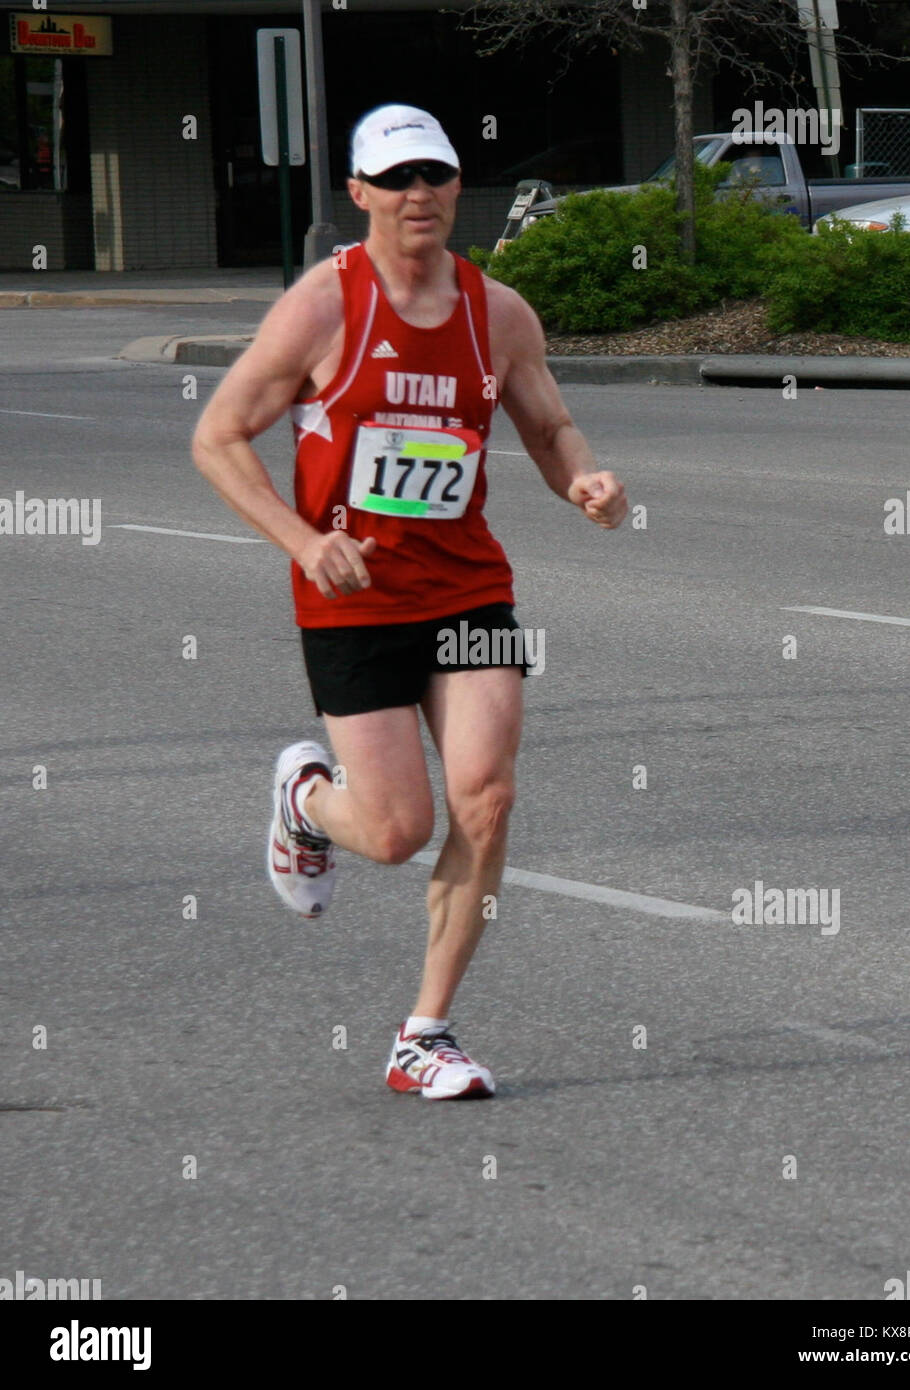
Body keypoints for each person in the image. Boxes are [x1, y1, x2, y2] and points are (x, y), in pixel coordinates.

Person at [192, 104, 627, 1101]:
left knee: (487, 794)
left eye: (433, 174)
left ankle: (423, 1034)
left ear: (455, 185)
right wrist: (304, 539)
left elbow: (549, 424)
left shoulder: (497, 312)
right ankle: (305, 801)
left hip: (465, 586)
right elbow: (216, 436)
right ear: (358, 194)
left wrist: (586, 481)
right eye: (394, 179)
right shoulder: (322, 305)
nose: (416, 193)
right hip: (348, 595)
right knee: (392, 831)